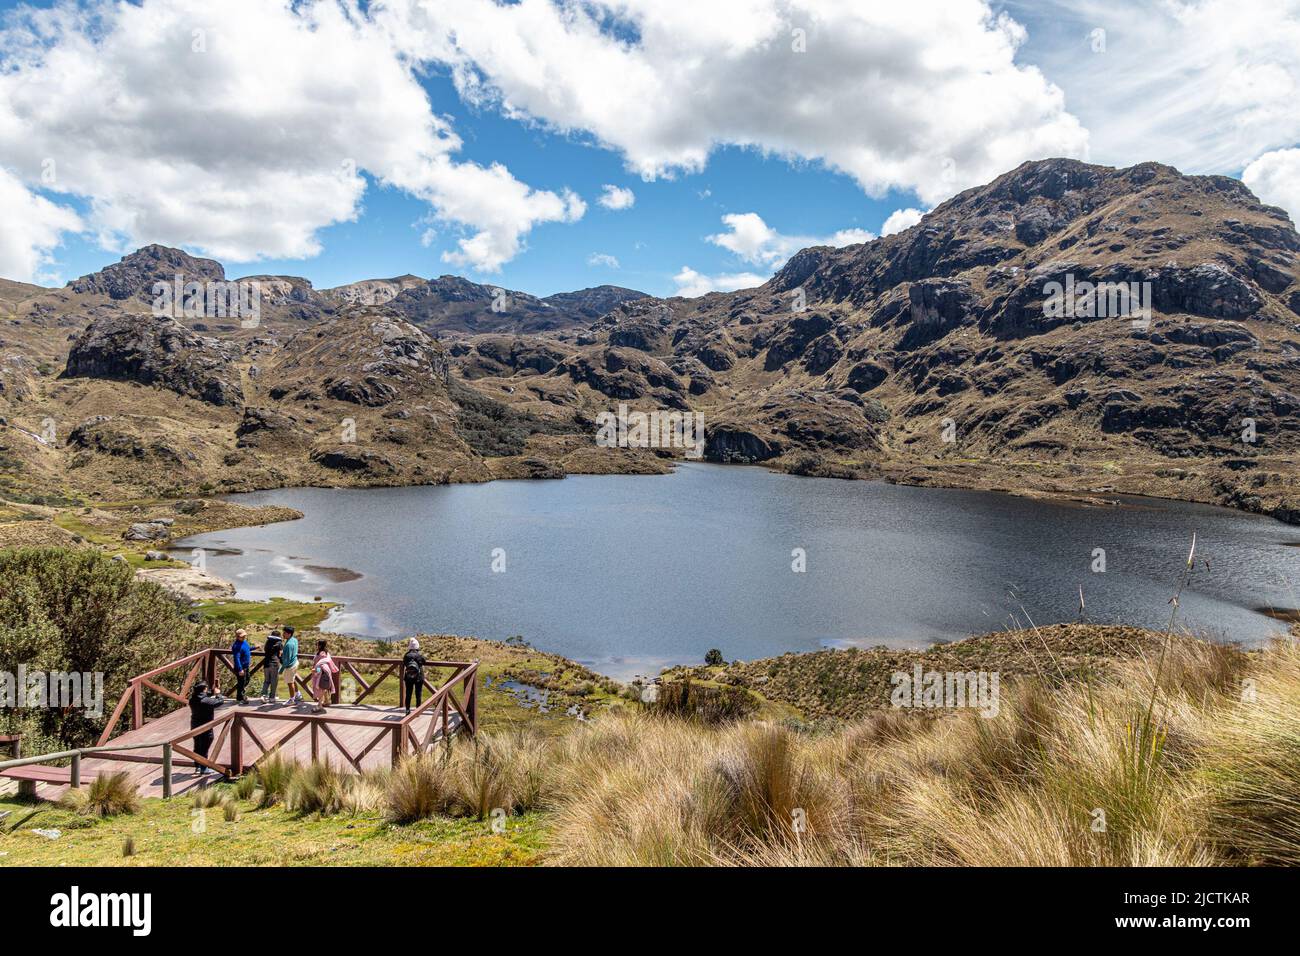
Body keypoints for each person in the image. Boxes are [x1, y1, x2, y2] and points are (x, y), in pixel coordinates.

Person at [188, 681, 224, 775]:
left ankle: (198, 767)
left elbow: (204, 696)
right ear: (204, 689)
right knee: (205, 746)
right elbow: (220, 702)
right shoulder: (206, 701)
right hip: (206, 726)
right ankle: (204, 768)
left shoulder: (192, 699)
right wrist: (218, 694)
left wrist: (212, 691)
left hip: (195, 726)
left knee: (197, 746)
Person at [310, 640, 339, 713]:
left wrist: (316, 671)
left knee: (320, 688)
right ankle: (326, 701)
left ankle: (319, 705)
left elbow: (321, 665)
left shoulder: (321, 654)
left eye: (317, 644)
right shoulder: (326, 652)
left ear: (320, 645)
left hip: (322, 672)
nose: (316, 646)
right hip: (326, 672)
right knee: (323, 687)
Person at [402, 638, 426, 714]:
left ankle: (407, 710)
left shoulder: (406, 656)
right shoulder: (419, 655)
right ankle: (417, 711)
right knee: (418, 694)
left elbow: (405, 663)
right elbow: (424, 662)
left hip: (408, 677)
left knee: (408, 693)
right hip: (418, 677)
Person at [260, 629, 284, 702]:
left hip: (266, 663)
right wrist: (283, 663)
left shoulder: (268, 642)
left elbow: (265, 650)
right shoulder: (279, 643)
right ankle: (272, 697)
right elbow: (281, 654)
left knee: (267, 681)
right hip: (274, 664)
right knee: (274, 681)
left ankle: (264, 696)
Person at [230, 629, 253, 704]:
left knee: (246, 680)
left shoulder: (244, 642)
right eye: (242, 636)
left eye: (244, 636)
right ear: (237, 637)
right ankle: (240, 698)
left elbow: (247, 649)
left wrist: (255, 648)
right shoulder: (236, 646)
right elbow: (236, 658)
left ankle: (241, 695)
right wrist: (240, 669)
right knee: (241, 683)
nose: (244, 637)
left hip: (245, 667)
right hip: (241, 668)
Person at [280, 626, 301, 704]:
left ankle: (292, 700)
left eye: (284, 633)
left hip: (290, 665)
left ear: (289, 634)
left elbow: (287, 660)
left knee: (290, 683)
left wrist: (281, 670)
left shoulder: (289, 644)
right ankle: (298, 694)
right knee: (292, 679)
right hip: (295, 662)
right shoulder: (294, 640)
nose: (283, 634)